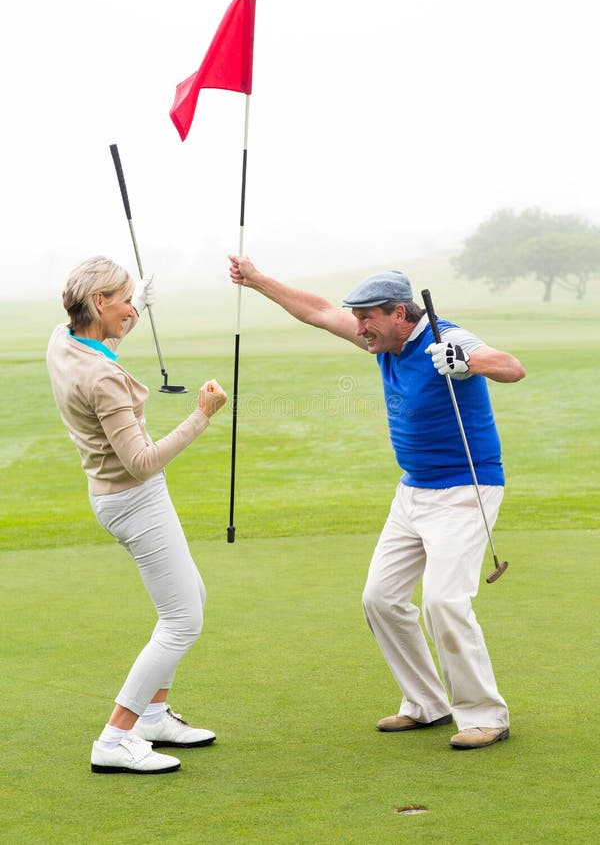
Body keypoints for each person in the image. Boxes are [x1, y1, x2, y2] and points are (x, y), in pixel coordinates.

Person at [228, 255, 525, 750]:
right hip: (412, 491)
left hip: (464, 491)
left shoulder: (448, 337)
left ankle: (486, 716)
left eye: (368, 317)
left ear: (400, 315)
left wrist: (466, 362)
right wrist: (256, 280)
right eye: (359, 317)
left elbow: (512, 367)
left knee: (444, 601)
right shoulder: (382, 340)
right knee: (380, 599)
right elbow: (317, 311)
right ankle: (426, 703)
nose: (359, 327)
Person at [47, 256, 227, 774]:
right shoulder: (103, 379)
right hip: (135, 497)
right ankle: (114, 738)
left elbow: (105, 337)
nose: (130, 308)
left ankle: (152, 714)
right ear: (99, 301)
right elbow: (142, 462)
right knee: (182, 620)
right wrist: (201, 416)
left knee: (192, 595)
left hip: (116, 496)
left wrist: (136, 306)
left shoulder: (63, 337)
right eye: (123, 299)